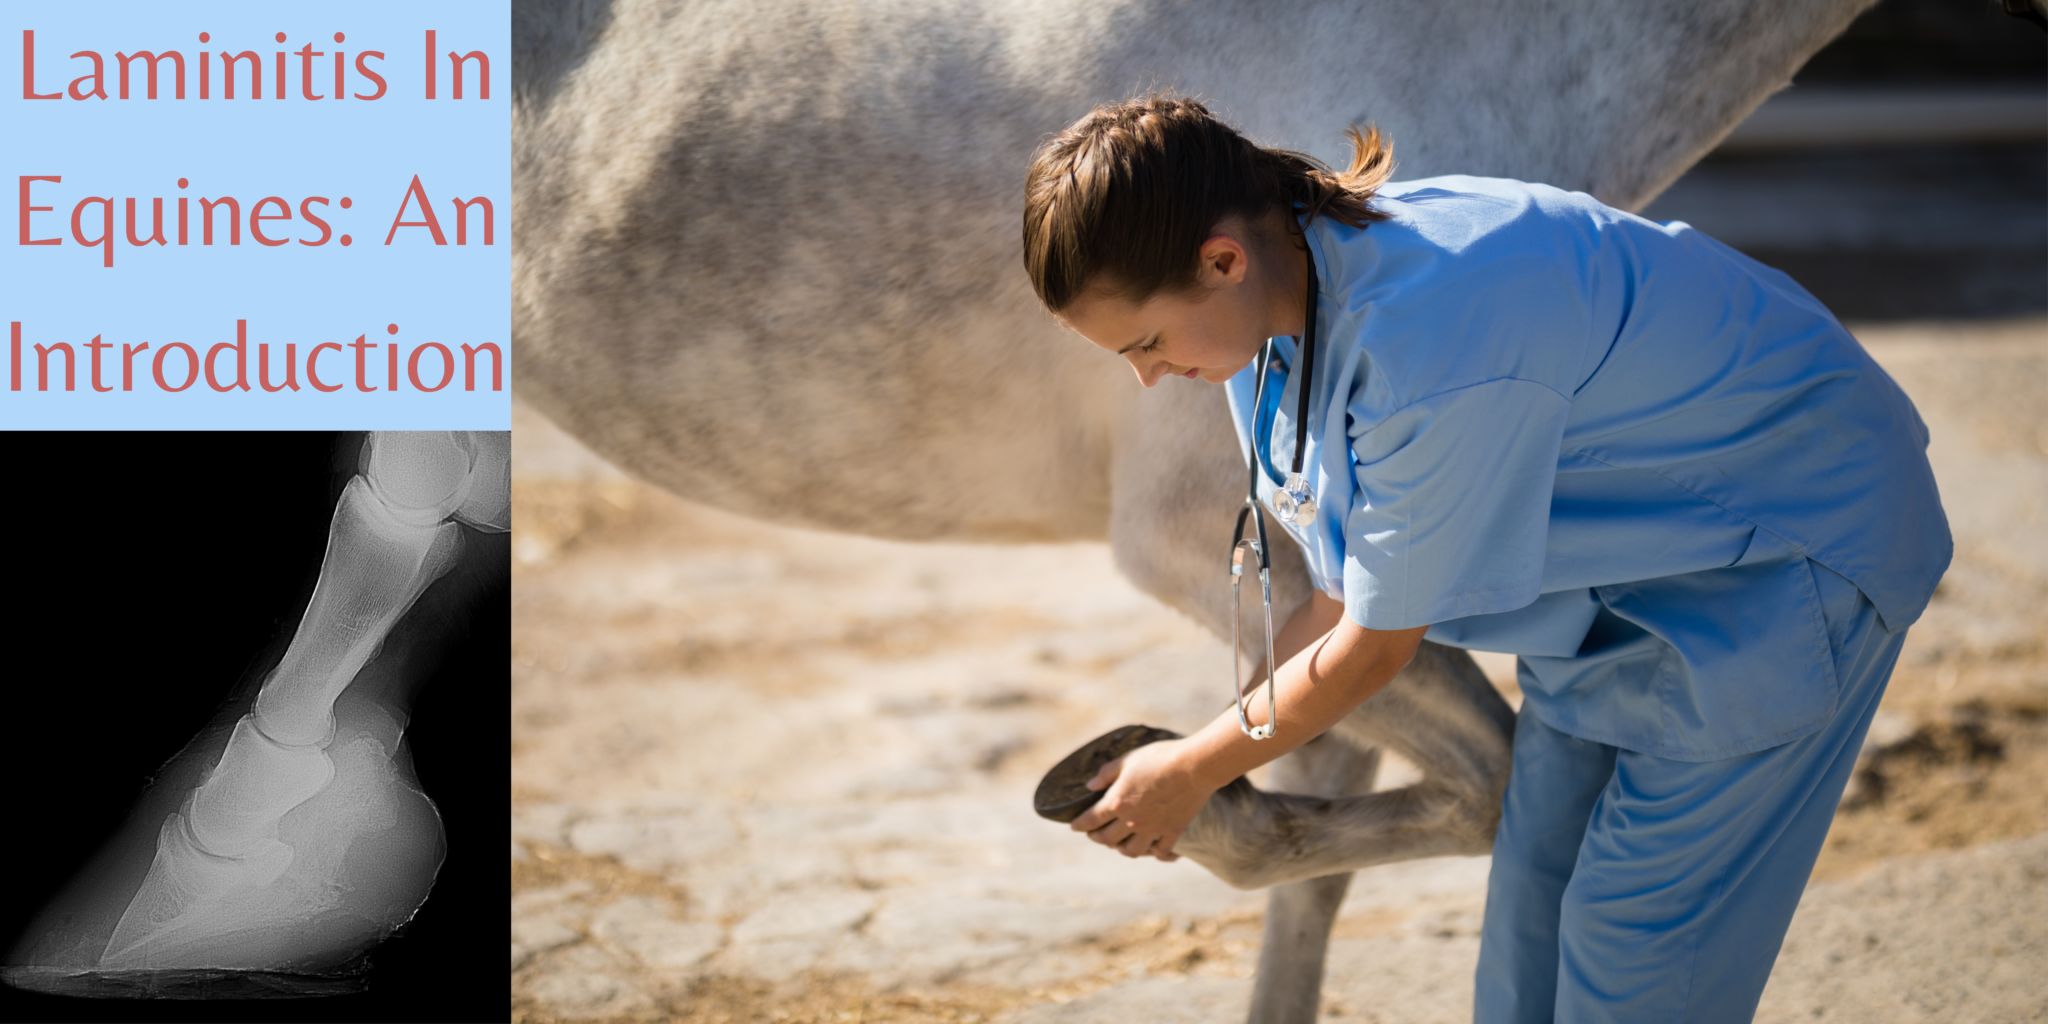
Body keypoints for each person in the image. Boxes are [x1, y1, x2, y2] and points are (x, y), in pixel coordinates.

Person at [1019, 95, 1950, 1023]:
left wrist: (1195, 771)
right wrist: (1204, 754)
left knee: (1633, 946)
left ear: (1220, 260)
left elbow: (1377, 650)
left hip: (1786, 556)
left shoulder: (1427, 336)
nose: (1146, 377)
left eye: (1144, 344)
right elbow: (1341, 600)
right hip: (1627, 590)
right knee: (1532, 912)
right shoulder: (1273, 311)